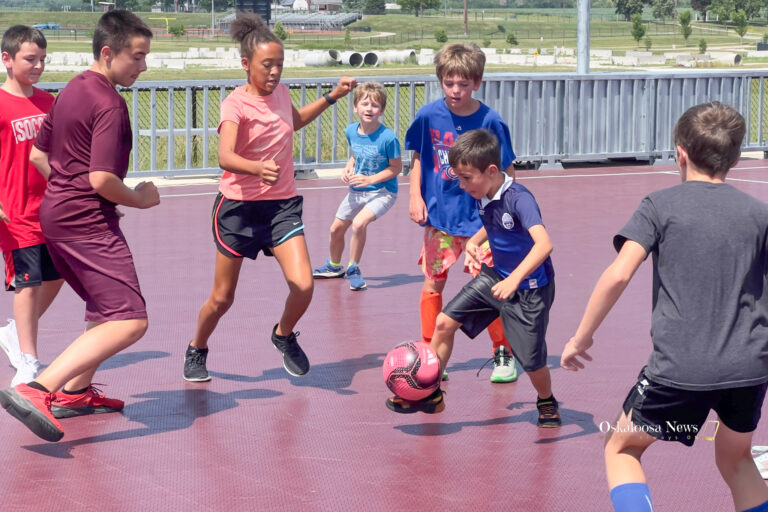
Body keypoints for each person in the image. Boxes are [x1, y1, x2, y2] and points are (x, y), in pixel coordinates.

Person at [561, 102, 768, 512]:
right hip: (749, 367)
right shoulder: (759, 214)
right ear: (735, 157)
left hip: (680, 369)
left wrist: (580, 337)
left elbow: (619, 274)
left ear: (680, 153)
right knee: (737, 459)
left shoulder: (659, 205)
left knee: (621, 447)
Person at [0, 10, 160, 443]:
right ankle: (38, 389)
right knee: (130, 320)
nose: (143, 67)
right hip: (85, 224)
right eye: (138, 57)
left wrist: (71, 196)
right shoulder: (109, 102)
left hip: (56, 216)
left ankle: (76, 392)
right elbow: (102, 180)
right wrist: (139, 199)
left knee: (105, 308)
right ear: (108, 53)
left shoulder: (70, 89)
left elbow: (39, 157)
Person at [182, 13, 356, 383]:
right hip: (238, 209)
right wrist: (256, 167)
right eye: (267, 65)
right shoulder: (235, 105)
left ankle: (283, 335)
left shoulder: (280, 91)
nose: (275, 71)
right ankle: (197, 348)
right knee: (222, 298)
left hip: (281, 205)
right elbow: (224, 156)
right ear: (246, 65)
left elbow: (293, 121)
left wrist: (331, 97)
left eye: (280, 64)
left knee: (304, 284)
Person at [387, 129, 559, 428]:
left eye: (467, 178)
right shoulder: (483, 191)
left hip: (529, 288)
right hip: (496, 277)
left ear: (492, 171)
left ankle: (546, 401)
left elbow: (544, 244)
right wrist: (474, 243)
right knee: (443, 323)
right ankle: (429, 393)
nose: (462, 185)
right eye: (459, 178)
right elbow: (491, 223)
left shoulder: (519, 199)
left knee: (530, 359)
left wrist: (514, 280)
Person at [405, 42, 518, 383]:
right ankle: (430, 351)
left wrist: (505, 213)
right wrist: (414, 195)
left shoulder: (491, 120)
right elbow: (419, 157)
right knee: (433, 283)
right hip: (440, 220)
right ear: (440, 80)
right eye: (449, 83)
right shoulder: (428, 116)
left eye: (464, 84)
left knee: (487, 287)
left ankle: (503, 352)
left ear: (477, 83)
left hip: (482, 222)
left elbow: (508, 170)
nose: (456, 90)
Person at [0, 26, 65, 387]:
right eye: (30, 59)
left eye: (43, 59)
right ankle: (28, 359)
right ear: (7, 59)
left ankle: (13, 332)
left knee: (56, 278)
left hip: (49, 210)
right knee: (28, 284)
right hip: (15, 214)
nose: (38, 65)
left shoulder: (47, 101)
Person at [312, 81, 402, 291]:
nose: (369, 109)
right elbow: (355, 154)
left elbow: (396, 168)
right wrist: (348, 166)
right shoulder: (351, 130)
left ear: (382, 110)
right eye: (365, 104)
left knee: (359, 224)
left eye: (375, 105)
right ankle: (334, 266)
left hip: (383, 192)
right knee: (336, 229)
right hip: (357, 190)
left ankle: (354, 268)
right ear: (355, 107)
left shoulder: (388, 138)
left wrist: (371, 180)